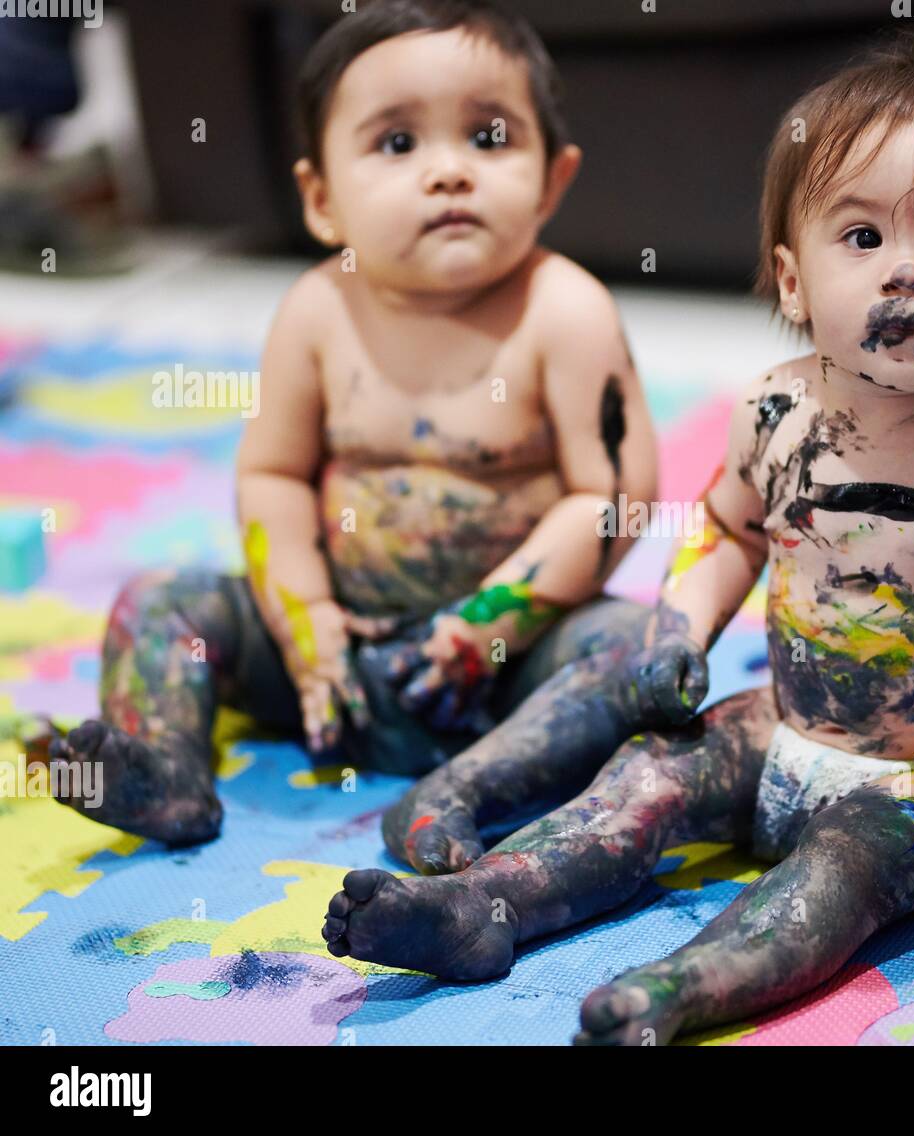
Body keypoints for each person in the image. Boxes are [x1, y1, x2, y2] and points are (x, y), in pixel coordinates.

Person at [321, 30, 914, 1046]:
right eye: (862, 238)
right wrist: (677, 623)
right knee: (646, 772)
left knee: (845, 868)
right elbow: (728, 527)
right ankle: (486, 905)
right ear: (790, 279)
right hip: (784, 722)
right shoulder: (773, 415)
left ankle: (682, 987)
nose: (909, 271)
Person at [39, 0, 674, 846]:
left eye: (489, 137)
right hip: (331, 662)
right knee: (162, 601)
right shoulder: (316, 311)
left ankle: (469, 791)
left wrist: (492, 619)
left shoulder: (566, 312)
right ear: (322, 200)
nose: (449, 171)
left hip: (506, 669)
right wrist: (305, 621)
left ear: (554, 179)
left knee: (636, 648)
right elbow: (272, 477)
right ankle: (169, 772)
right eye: (397, 143)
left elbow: (613, 498)